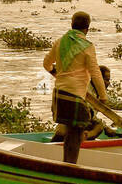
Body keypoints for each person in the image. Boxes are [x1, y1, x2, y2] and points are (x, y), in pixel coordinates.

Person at [42, 11, 109, 165]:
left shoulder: (60, 41)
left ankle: (67, 163)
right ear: (87, 29)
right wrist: (103, 96)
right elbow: (95, 73)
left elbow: (46, 63)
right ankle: (70, 166)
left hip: (58, 95)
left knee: (70, 132)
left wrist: (56, 73)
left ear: (72, 25)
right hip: (74, 96)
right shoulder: (87, 46)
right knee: (77, 132)